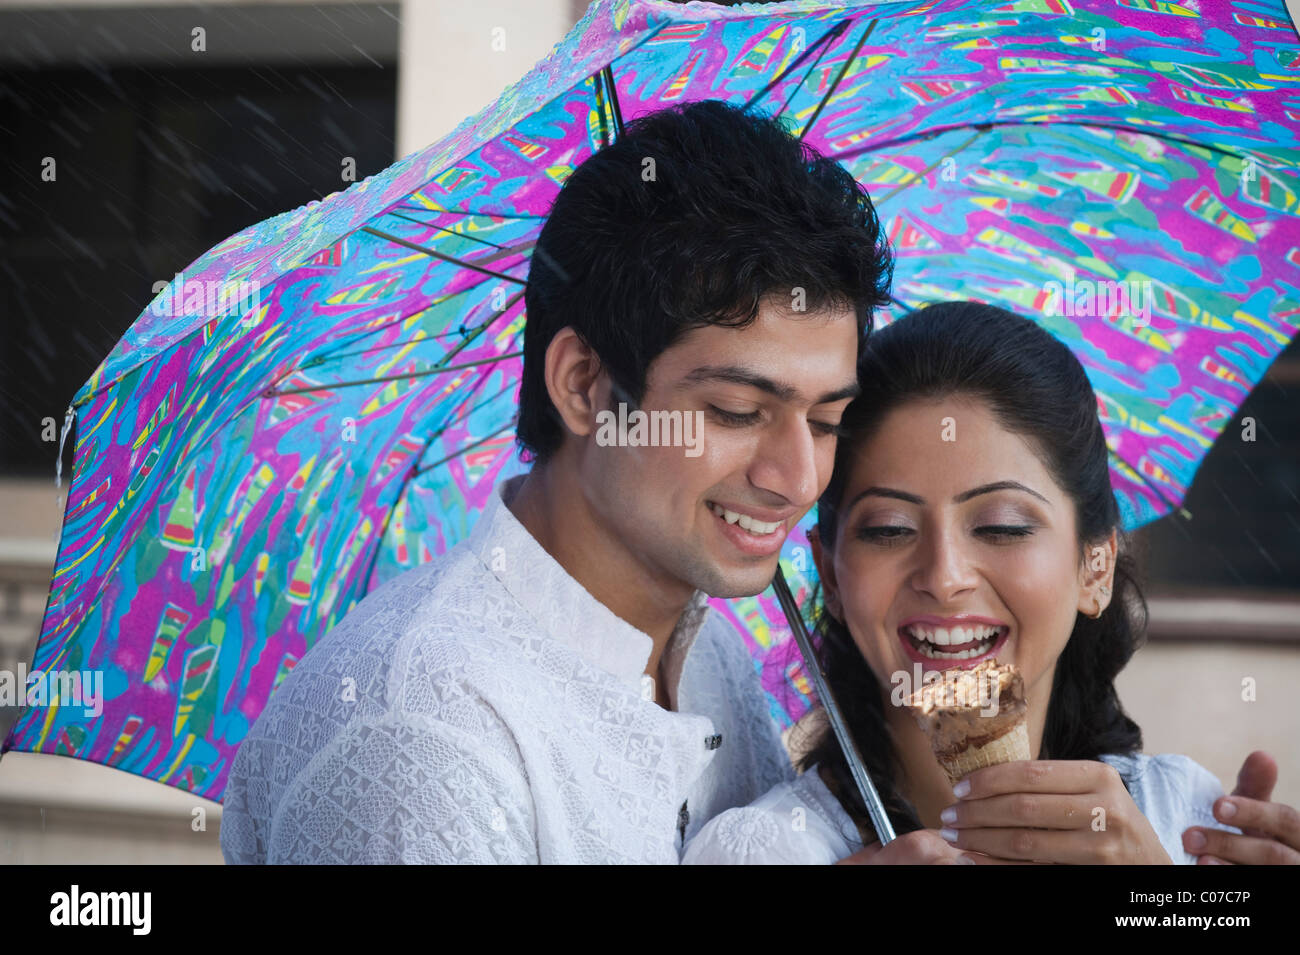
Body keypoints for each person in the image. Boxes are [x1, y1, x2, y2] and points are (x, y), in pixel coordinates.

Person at [218, 99, 894, 863]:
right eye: (738, 410)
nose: (797, 477)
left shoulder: (712, 658)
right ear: (584, 385)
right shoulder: (423, 735)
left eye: (828, 420)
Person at [683, 301, 1292, 865]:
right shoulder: (766, 851)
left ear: (1096, 565)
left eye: (1001, 527)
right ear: (830, 575)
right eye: (890, 530)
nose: (945, 578)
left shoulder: (1186, 820)